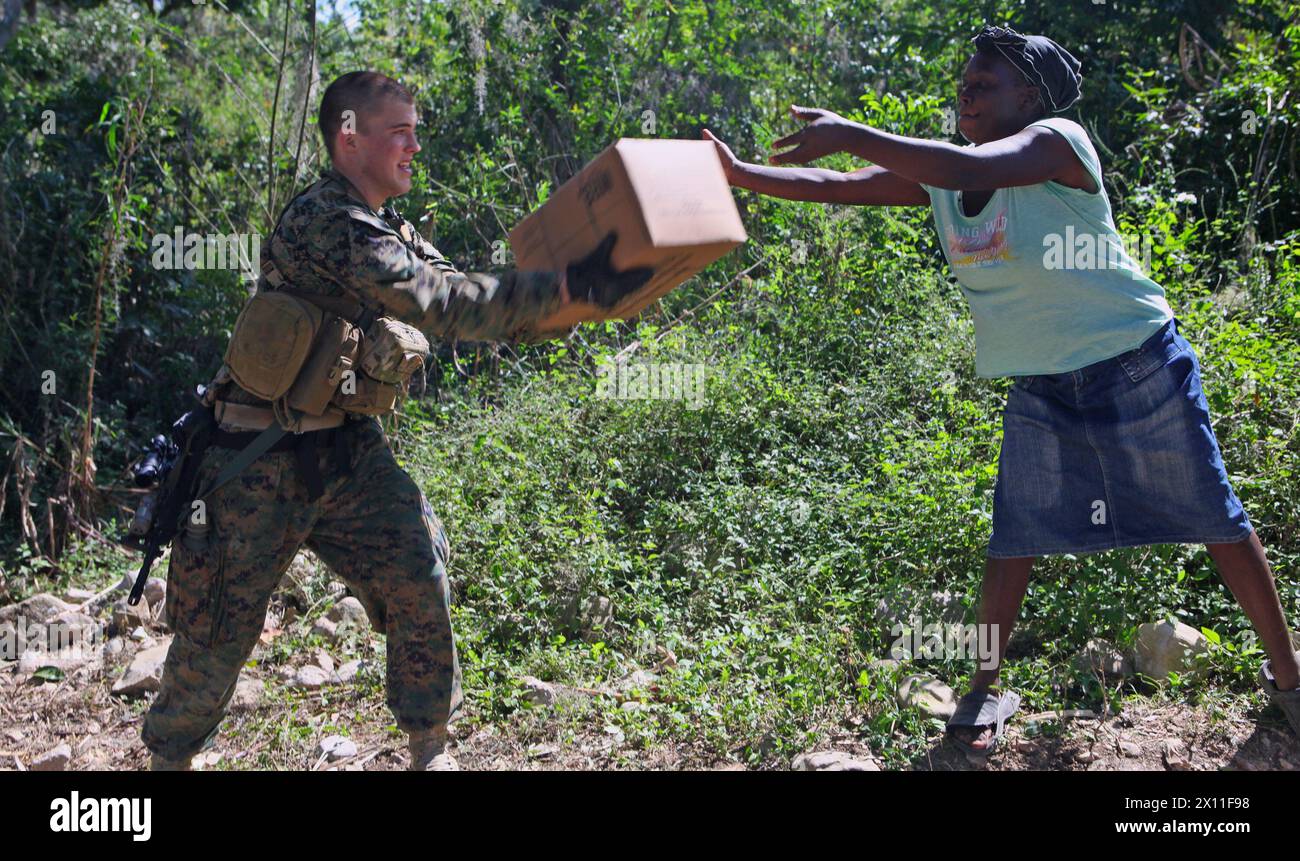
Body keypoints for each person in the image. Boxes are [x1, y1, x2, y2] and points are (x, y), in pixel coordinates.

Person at [703, 24, 1300, 754]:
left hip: (1138, 362)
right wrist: (740, 175)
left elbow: (947, 166)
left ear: (1031, 95)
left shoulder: (1058, 142)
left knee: (1216, 516)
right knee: (1012, 538)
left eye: (983, 86)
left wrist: (851, 130)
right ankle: (982, 691)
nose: (966, 96)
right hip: (1045, 387)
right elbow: (841, 185)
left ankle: (1289, 678)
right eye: (963, 88)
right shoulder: (952, 173)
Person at [142, 70, 648, 770]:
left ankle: (429, 746)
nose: (415, 145)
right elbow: (436, 300)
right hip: (255, 458)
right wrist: (566, 285)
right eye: (398, 131)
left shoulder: (391, 227)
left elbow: (473, 305)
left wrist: (579, 300)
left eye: (417, 129)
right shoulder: (328, 220)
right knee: (218, 630)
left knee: (418, 565)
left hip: (346, 453)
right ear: (350, 139)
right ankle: (166, 761)